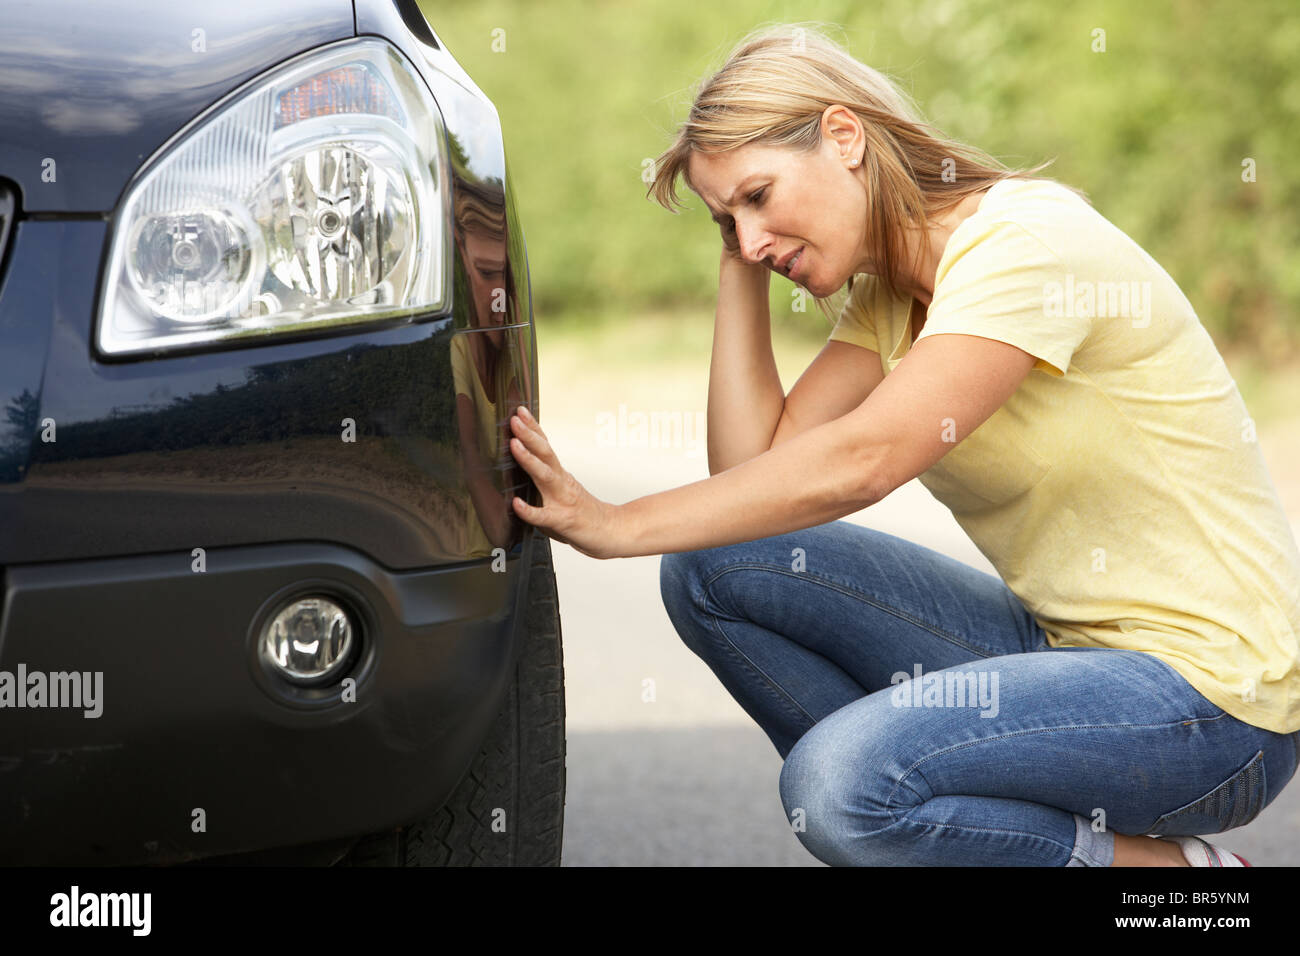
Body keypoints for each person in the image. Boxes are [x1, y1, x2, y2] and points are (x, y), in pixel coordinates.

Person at [501, 22, 1300, 866]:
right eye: (725, 219)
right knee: (713, 569)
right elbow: (751, 488)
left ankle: (1172, 876)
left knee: (840, 789)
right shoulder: (890, 298)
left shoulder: (1019, 247)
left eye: (759, 195)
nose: (750, 238)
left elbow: (862, 461)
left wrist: (618, 525)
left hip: (1216, 705)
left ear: (844, 136)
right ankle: (947, 845)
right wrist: (737, 253)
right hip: (1064, 658)